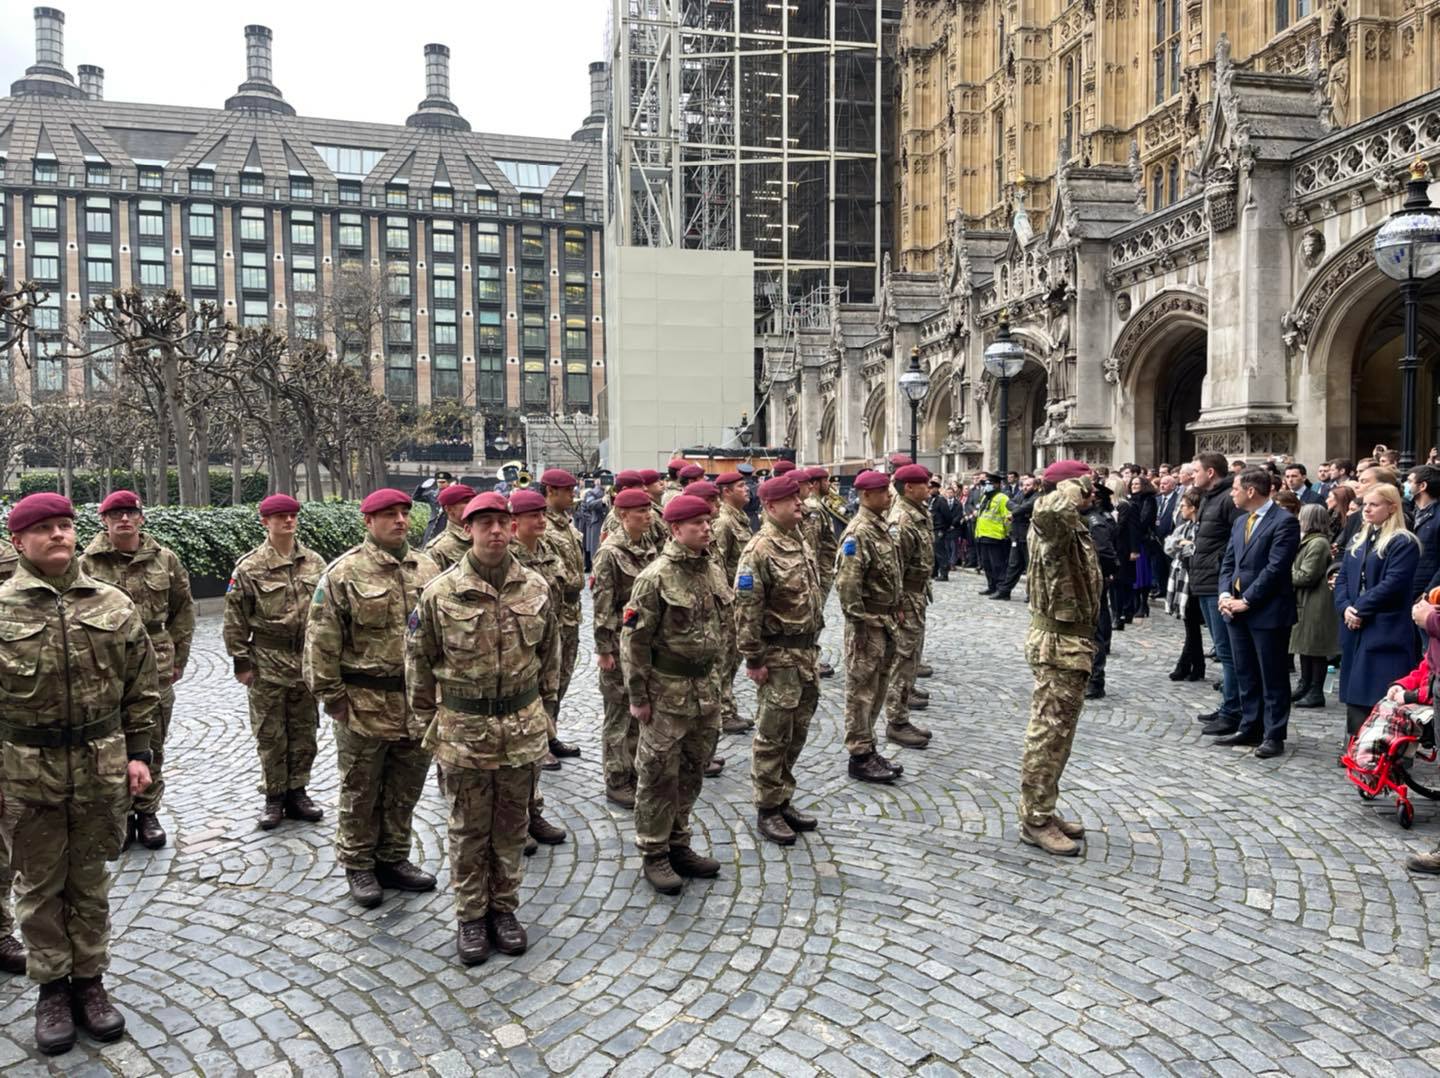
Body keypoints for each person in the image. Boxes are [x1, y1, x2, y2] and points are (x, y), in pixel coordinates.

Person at [0, 493, 158, 1054]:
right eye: (44, 528)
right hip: (25, 771)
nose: (59, 535)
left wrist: (140, 754)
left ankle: (90, 983)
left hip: (100, 764)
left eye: (65, 525)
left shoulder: (113, 605)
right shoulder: (2, 609)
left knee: (90, 881)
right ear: (19, 541)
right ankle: (51, 990)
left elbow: (141, 686)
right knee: (40, 885)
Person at [405, 491, 559, 965]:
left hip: (520, 727)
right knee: (469, 829)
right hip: (464, 729)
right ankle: (471, 916)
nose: (495, 530)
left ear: (513, 529)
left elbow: (549, 659)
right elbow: (418, 662)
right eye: (484, 522)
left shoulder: (535, 587)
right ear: (467, 529)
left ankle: (504, 910)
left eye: (502, 522)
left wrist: (545, 714)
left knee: (511, 827)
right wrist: (427, 723)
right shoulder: (440, 593)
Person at [303, 488, 440, 909]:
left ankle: (393, 857)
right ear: (368, 521)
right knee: (361, 787)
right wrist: (334, 698)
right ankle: (358, 862)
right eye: (389, 515)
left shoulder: (428, 568)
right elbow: (321, 640)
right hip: (364, 701)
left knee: (405, 785)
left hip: (415, 702)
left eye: (404, 513)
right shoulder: (343, 574)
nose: (400, 520)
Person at [622, 495, 730, 894]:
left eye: (708, 521)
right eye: (697, 523)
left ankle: (678, 841)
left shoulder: (713, 570)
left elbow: (722, 631)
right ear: (674, 530)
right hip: (667, 695)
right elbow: (634, 642)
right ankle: (654, 851)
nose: (706, 528)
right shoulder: (655, 577)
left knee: (691, 771)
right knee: (657, 775)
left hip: (704, 692)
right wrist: (638, 697)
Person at [79, 490, 194, 851]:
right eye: (116, 514)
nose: (124, 519)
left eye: (130, 513)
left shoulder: (166, 560)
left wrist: (176, 659)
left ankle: (147, 813)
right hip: (106, 668)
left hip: (157, 665)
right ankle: (120, 815)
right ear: (105, 521)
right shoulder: (86, 564)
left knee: (152, 741)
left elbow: (183, 611)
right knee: (109, 744)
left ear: (141, 518)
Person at [223, 494, 327, 830]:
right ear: (264, 522)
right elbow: (235, 617)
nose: (288, 521)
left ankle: (299, 790)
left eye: (292, 515)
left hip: (305, 660)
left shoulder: (314, 562)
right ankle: (274, 795)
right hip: (267, 659)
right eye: (280, 516)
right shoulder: (250, 567)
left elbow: (327, 613)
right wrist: (241, 660)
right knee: (270, 733)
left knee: (304, 730)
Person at [736, 474, 826, 846]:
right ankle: (767, 807)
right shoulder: (758, 550)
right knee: (773, 734)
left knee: (797, 730)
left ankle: (783, 795)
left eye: (799, 499)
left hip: (806, 652)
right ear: (771, 507)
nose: (800, 504)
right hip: (778, 654)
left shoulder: (798, 540)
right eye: (792, 500)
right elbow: (746, 610)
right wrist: (754, 658)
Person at [1019, 461, 1101, 857]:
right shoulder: (1051, 521)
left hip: (1073, 643)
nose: (1091, 493)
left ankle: (1044, 807)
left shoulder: (1072, 526)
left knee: (1060, 737)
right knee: (1047, 736)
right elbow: (1048, 509)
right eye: (1086, 486)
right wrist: (1070, 486)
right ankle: (1035, 819)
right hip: (1058, 644)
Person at [1211, 468, 1301, 759]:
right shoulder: (1239, 523)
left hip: (1267, 611)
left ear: (1251, 490)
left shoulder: (1284, 522)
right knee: (1245, 670)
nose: (1231, 493)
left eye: (1235, 488)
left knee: (1272, 675)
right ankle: (1251, 725)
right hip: (1235, 609)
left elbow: (1275, 569)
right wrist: (1225, 594)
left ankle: (1274, 733)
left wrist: (1247, 600)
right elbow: (1228, 562)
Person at [506, 489, 570, 848]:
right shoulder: (508, 562)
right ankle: (515, 821)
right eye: (535, 515)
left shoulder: (549, 551)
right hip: (508, 669)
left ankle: (533, 811)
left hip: (541, 659)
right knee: (510, 757)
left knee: (531, 752)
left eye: (543, 514)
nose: (542, 520)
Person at [1334, 483, 1421, 749]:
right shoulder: (1359, 538)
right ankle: (1355, 742)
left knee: (1378, 687)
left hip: (1386, 627)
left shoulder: (1403, 542)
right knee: (1355, 688)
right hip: (1355, 625)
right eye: (1365, 504)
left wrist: (1359, 608)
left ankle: (1382, 747)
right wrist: (1345, 607)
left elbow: (1393, 584)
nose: (1367, 510)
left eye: (1374, 504)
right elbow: (1343, 578)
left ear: (1391, 507)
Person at [835, 470, 905, 784]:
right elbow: (848, 584)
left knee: (877, 688)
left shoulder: (880, 527)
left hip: (884, 621)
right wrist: (858, 625)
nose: (889, 497)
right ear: (866, 496)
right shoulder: (858, 532)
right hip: (867, 624)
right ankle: (859, 755)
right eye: (883, 492)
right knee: (861, 692)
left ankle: (868, 745)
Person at [592, 489, 660, 805]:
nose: (648, 515)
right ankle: (617, 779)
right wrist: (604, 649)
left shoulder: (647, 545)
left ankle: (634, 770)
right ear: (623, 515)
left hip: (642, 642)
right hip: (619, 642)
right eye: (640, 511)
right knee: (619, 713)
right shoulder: (610, 553)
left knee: (638, 709)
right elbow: (602, 603)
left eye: (648, 509)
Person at [1190, 452, 1246, 731]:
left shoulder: (1227, 499)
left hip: (1217, 584)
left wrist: (1218, 564)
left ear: (1210, 472)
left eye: (1196, 470)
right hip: (1204, 580)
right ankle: (1229, 703)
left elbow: (1239, 540)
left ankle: (1232, 710)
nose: (1192, 475)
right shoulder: (1209, 498)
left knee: (1227, 651)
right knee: (1223, 649)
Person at [883, 464, 936, 747]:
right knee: (903, 658)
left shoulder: (917, 513)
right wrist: (899, 602)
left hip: (917, 595)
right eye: (923, 484)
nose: (928, 488)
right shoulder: (902, 519)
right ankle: (896, 721)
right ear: (909, 488)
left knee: (911, 655)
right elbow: (894, 567)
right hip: (907, 598)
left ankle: (902, 711)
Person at [539, 469, 585, 763]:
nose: (572, 495)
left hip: (571, 613)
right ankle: (539, 742)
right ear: (551, 491)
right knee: (545, 681)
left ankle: (550, 733)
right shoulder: (543, 525)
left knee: (562, 678)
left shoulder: (566, 523)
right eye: (567, 490)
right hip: (555, 612)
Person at [711, 471, 755, 735]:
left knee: (732, 659)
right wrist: (726, 600)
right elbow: (717, 564)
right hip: (730, 603)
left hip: (740, 601)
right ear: (726, 491)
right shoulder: (724, 522)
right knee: (725, 660)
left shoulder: (739, 519)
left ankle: (727, 707)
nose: (747, 489)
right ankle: (723, 712)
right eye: (740, 486)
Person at [1290, 502, 1340, 710]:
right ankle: (1305, 684)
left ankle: (1315, 690)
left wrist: (1285, 571)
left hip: (1315, 603)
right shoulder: (1311, 541)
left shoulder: (1318, 543)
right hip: (1307, 602)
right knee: (1305, 648)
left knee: (1315, 649)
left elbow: (1307, 575)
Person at [1163, 488, 1205, 682]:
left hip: (1195, 581)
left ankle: (1188, 665)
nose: (1180, 509)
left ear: (1193, 508)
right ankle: (1194, 665)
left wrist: (1185, 546)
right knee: (1190, 625)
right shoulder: (1184, 527)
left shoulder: (1201, 528)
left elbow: (1194, 551)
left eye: (1183, 506)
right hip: (1182, 580)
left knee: (1193, 625)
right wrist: (1182, 543)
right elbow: (1170, 545)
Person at [1082, 481, 1119, 699]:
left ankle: (1095, 680)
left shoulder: (1095, 520)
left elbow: (1105, 553)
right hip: (1083, 582)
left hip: (1093, 581)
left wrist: (1103, 575)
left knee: (1095, 632)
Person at [994, 474, 1038, 602]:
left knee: (1030, 567)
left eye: (1028, 485)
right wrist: (1018, 510)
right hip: (1016, 536)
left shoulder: (1037, 497)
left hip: (1028, 537)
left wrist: (1016, 511)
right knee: (1013, 565)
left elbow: (1027, 507)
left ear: (1035, 486)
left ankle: (1032, 594)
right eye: (1023, 485)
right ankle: (1005, 591)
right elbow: (1009, 503)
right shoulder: (1020, 495)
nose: (1025, 487)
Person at [420, 483, 477, 571]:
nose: (474, 506)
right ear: (449, 509)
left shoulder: (487, 537)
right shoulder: (437, 550)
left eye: (474, 501)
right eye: (466, 502)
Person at [974, 473, 1011, 597]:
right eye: (986, 483)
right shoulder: (985, 497)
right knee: (986, 564)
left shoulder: (1002, 498)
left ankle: (1001, 589)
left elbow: (1007, 517)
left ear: (997, 485)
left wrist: (1007, 533)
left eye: (990, 483)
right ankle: (991, 586)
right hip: (982, 534)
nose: (987, 486)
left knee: (997, 564)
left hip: (996, 535)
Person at [1127, 476, 1158, 618]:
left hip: (1142, 541)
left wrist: (1133, 526)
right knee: (1133, 575)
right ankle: (1134, 604)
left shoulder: (1148, 500)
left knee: (1142, 574)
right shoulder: (1129, 500)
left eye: (1137, 484)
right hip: (1131, 540)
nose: (1134, 486)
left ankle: (1143, 604)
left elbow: (1144, 520)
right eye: (1132, 483)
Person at [1407, 465, 1440, 596]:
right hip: (1407, 589)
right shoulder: (1411, 515)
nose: (1405, 485)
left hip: (1425, 592)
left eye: (1409, 481)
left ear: (1422, 486)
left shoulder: (1437, 517)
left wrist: (1429, 592)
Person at [414, 470, 456, 549]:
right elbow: (416, 497)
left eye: (443, 482)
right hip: (433, 524)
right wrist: (421, 488)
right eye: (439, 482)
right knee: (427, 546)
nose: (440, 484)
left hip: (446, 524)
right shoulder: (432, 494)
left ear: (448, 482)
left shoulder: (453, 494)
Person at [929, 479, 957, 581]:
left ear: (936, 489)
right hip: (932, 528)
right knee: (934, 552)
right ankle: (934, 572)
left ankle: (944, 573)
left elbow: (948, 516)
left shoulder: (941, 500)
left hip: (939, 528)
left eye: (931, 488)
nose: (929, 490)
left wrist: (944, 527)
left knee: (941, 552)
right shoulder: (931, 500)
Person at [580, 478, 608, 571]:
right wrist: (602, 501)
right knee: (596, 548)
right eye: (603, 478)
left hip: (610, 523)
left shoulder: (611, 490)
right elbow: (590, 504)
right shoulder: (591, 492)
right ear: (597, 481)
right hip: (598, 522)